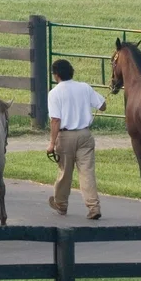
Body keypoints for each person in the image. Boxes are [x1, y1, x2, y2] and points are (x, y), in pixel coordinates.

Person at [47, 59, 105, 219]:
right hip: (85, 134)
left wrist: (52, 143)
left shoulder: (54, 93)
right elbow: (102, 105)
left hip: (65, 136)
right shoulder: (84, 87)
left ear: (56, 75)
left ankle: (61, 204)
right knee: (87, 172)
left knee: (65, 172)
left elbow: (55, 120)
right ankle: (94, 207)